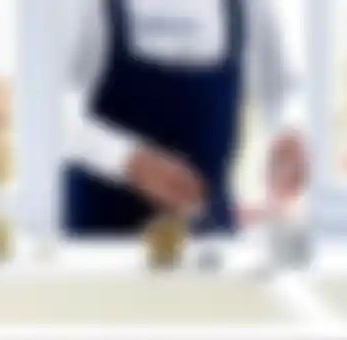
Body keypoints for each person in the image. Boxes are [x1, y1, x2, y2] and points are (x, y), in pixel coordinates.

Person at [64, 0, 307, 236]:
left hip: (206, 235)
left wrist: (287, 133)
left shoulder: (252, 5)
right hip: (98, 237)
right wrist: (127, 158)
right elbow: (55, 113)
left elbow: (281, 92)